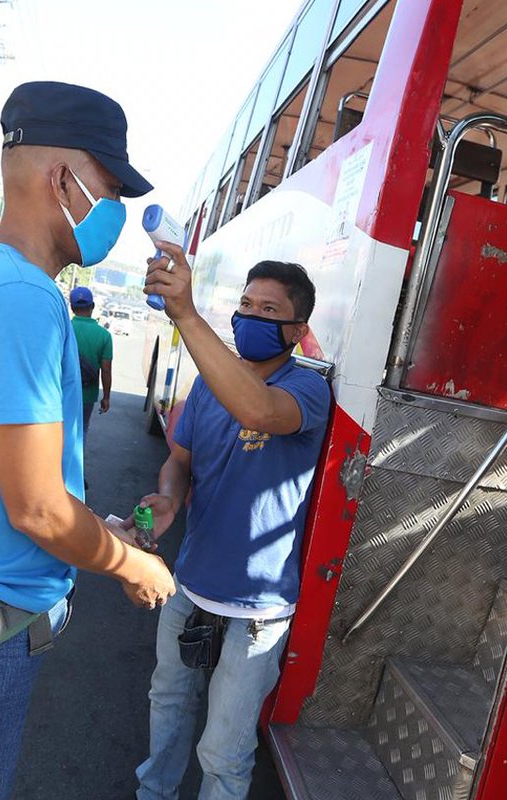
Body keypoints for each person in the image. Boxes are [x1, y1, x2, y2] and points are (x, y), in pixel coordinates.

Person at [0, 81, 175, 800]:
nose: (114, 212)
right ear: (62, 179)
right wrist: (127, 566)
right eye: (109, 188)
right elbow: (37, 510)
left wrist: (99, 528)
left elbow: (21, 485)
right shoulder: (22, 298)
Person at [130, 250, 331, 800]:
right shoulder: (206, 386)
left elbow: (262, 412)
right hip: (188, 587)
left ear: (297, 329)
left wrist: (187, 316)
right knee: (167, 705)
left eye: (269, 310)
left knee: (223, 753)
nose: (250, 317)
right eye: (245, 304)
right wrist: (169, 500)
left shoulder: (307, 391)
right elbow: (179, 459)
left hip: (257, 613)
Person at [69, 286, 113, 435]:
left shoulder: (64, 328)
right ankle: (76, 458)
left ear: (72, 307)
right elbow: (106, 370)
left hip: (62, 391)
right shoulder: (104, 335)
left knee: (59, 431)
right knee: (81, 430)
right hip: (87, 394)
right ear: (92, 306)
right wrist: (106, 397)